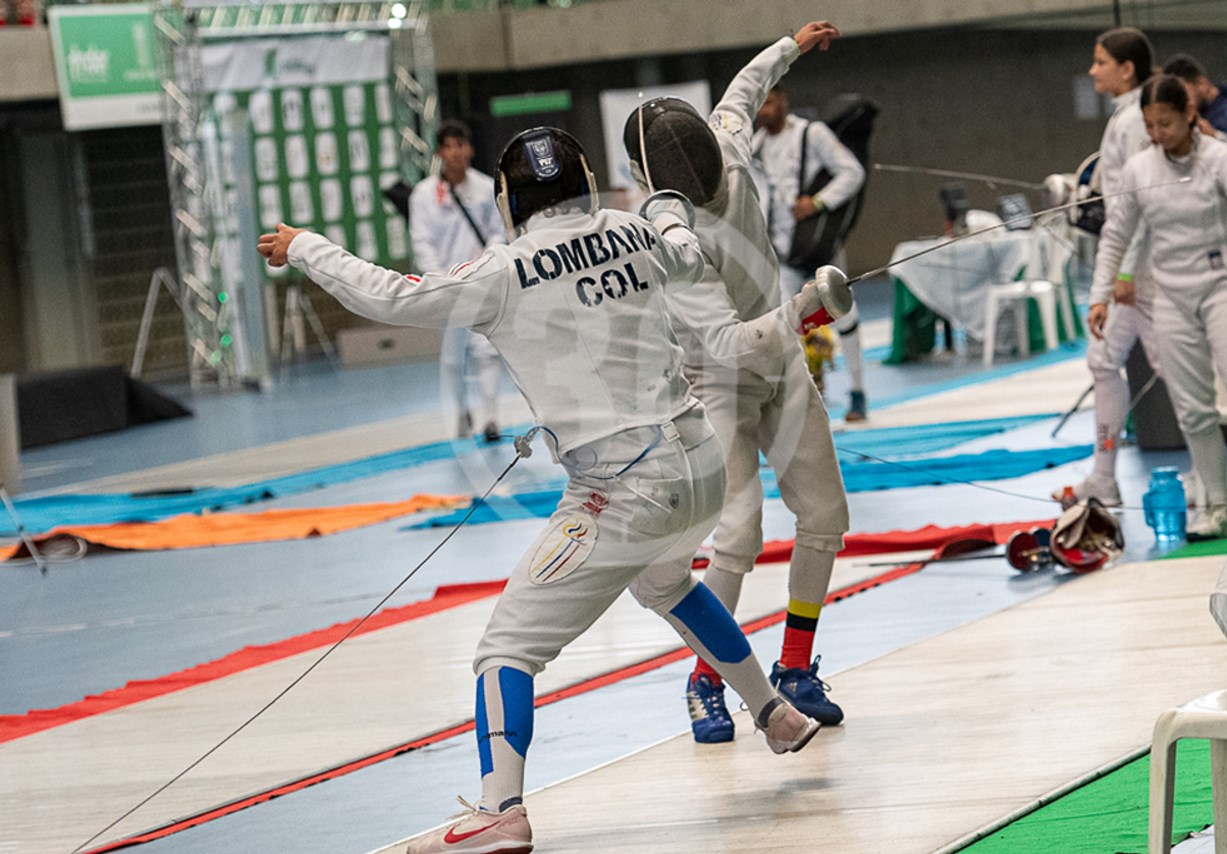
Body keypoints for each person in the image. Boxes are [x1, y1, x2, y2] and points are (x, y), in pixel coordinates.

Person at [257, 126, 821, 854]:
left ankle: (500, 811)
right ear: (582, 179)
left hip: (624, 489)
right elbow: (687, 252)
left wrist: (306, 246)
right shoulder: (631, 228)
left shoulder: (502, 270)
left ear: (509, 199)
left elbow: (391, 297)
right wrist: (668, 205)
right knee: (667, 582)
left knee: (506, 648)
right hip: (701, 467)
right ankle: (774, 713)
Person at [625, 21, 854, 744]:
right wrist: (805, 311)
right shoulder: (669, 236)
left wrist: (791, 44)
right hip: (712, 381)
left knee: (825, 514)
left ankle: (796, 669)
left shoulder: (728, 143)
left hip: (779, 364)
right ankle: (705, 681)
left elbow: (745, 88)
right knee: (737, 534)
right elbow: (725, 343)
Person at [1089, 74, 1227, 540]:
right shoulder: (1139, 170)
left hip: (1224, 290)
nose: (1158, 134)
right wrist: (1099, 294)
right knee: (1193, 412)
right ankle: (1218, 508)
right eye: (1150, 125)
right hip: (1171, 298)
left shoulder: (1225, 160)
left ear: (1189, 115)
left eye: (1167, 124)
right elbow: (1117, 234)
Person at [1056, 27, 1160, 508]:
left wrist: (1124, 273)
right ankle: (1102, 478)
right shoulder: (1125, 116)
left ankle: (1210, 485)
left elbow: (1140, 203)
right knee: (1103, 361)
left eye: (1101, 62)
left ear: (1127, 68)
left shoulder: (1136, 120)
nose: (1093, 70)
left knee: (1178, 374)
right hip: (1132, 270)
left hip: (1146, 273)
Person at [754, 83, 870, 422]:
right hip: (781, 250)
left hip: (818, 243)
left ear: (783, 101)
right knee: (783, 322)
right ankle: (800, 395)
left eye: (770, 102)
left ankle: (858, 391)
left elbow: (853, 172)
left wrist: (818, 202)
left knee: (843, 314)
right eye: (759, 105)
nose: (764, 110)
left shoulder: (812, 134)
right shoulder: (754, 146)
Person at [409, 119, 506, 442]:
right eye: (448, 147)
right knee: (453, 357)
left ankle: (492, 419)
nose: (455, 153)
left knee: (487, 350)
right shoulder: (424, 195)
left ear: (470, 150)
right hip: (446, 286)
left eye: (460, 145)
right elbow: (422, 241)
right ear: (439, 153)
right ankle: (461, 413)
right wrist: (439, 279)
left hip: (480, 282)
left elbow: (498, 232)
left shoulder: (486, 188)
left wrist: (486, 265)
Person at [1162, 53, 1227, 170]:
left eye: (1182, 94)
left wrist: (1216, 137)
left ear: (1201, 84)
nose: (1179, 102)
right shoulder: (1202, 111)